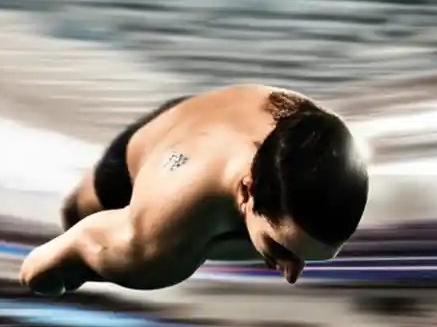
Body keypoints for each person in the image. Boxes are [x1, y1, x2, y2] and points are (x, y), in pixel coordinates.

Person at [19, 84, 369, 296]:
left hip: (200, 118)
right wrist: (54, 280)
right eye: (282, 248)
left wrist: (266, 244)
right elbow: (34, 271)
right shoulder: (163, 228)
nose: (291, 274)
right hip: (142, 159)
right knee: (74, 215)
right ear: (246, 191)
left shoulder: (321, 146)